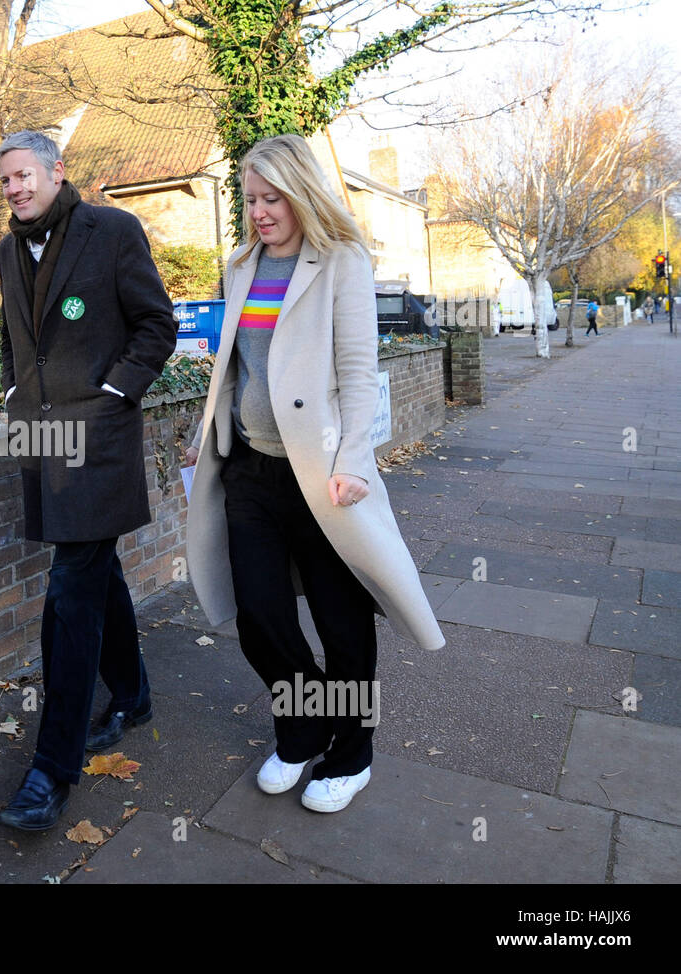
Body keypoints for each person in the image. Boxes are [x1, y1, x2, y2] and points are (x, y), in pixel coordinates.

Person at [184, 134, 445, 814]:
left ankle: (351, 753)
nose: (261, 212)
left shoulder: (340, 261)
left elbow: (359, 372)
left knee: (341, 622)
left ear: (301, 192)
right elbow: (234, 365)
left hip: (320, 474)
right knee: (260, 619)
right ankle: (303, 730)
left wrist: (355, 460)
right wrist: (203, 434)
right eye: (251, 200)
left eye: (273, 198)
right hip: (247, 472)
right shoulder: (241, 263)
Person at [0, 130, 176, 831]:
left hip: (97, 445)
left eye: (23, 176)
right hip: (42, 444)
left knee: (70, 593)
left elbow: (156, 327)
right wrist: (11, 393)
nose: (14, 189)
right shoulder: (8, 249)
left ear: (55, 171)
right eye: (5, 180)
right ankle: (131, 695)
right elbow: (13, 336)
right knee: (99, 575)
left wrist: (116, 392)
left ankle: (52, 767)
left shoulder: (113, 229)